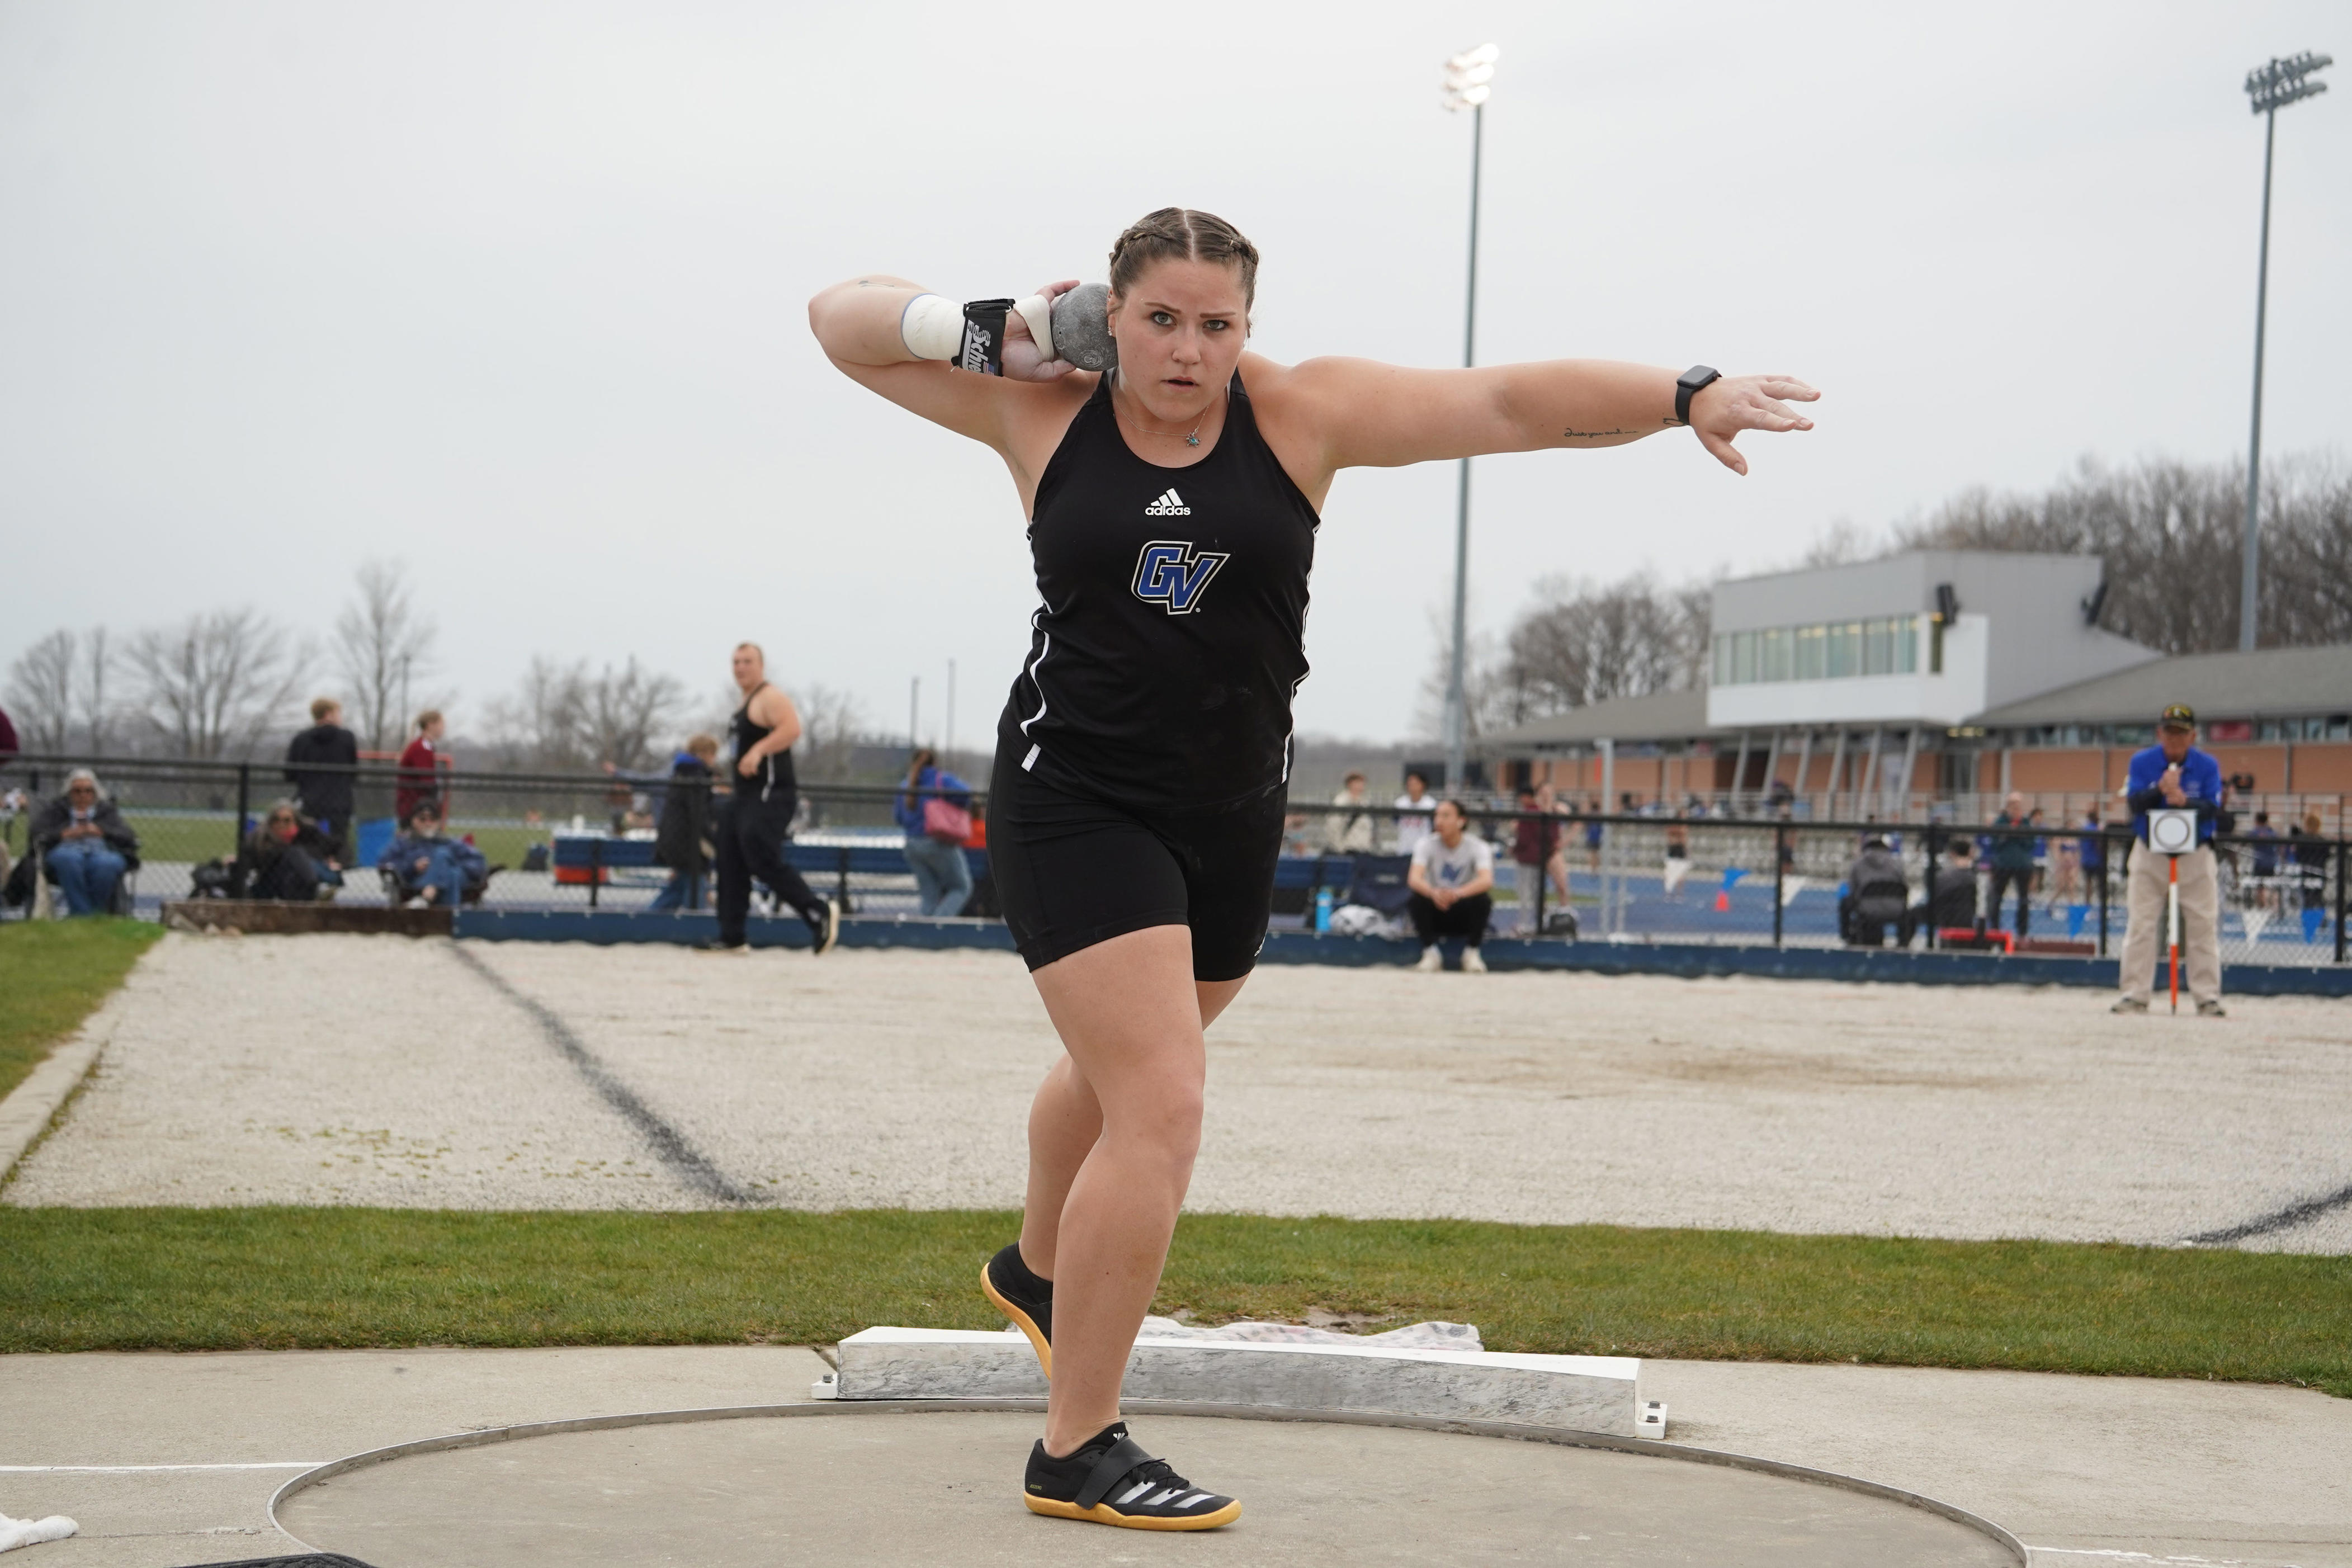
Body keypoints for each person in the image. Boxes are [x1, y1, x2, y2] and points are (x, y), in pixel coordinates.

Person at [809, 205, 1814, 1529]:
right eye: (1158, 318)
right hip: (1075, 801)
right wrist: (986, 329)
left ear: (1246, 327)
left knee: (1122, 1073)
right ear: (1107, 315)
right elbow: (840, 322)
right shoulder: (1037, 408)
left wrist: (1682, 394)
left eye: (1214, 323)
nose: (1186, 348)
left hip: (1228, 813)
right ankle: (1076, 1443)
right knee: (1160, 1096)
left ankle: (1038, 1269)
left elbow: (1507, 402)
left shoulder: (1297, 416)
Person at [703, 643, 838, 953]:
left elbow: (792, 729)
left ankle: (817, 910)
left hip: (771, 794)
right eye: (736, 662)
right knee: (729, 858)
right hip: (745, 795)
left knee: (761, 856)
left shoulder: (770, 697)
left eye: (747, 661)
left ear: (761, 666)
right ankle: (732, 935)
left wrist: (759, 750)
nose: (740, 667)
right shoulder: (743, 703)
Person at [2113, 704, 2224, 1016]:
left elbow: (2214, 807)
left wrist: (2186, 801)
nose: (2174, 740)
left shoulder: (2207, 765)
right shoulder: (2142, 762)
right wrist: (2159, 789)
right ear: (2160, 734)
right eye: (2169, 733)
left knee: (2202, 925)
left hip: (2195, 853)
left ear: (2193, 736)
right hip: (2151, 851)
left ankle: (2207, 996)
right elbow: (2134, 802)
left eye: (2181, 734)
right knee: (2141, 924)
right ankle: (2135, 993)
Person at [29, 769, 140, 916]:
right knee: (69, 860)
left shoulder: (106, 811)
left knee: (107, 864)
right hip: (66, 850)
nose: (83, 796)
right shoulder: (56, 810)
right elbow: (37, 833)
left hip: (102, 851)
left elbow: (127, 835)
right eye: (77, 791)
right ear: (69, 793)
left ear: (95, 793)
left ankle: (95, 913)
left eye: (88, 791)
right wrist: (63, 834)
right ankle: (83, 915)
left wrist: (102, 832)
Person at [1406, 799, 1496, 973]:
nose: (1439, 821)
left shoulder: (1479, 847)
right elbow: (1414, 878)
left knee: (1483, 900)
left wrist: (1458, 894)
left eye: (1446, 816)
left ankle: (1472, 953)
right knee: (1416, 900)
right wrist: (1434, 893)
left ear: (1462, 821)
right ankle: (1430, 953)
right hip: (1436, 908)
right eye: (1437, 816)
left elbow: (1486, 880)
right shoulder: (1425, 844)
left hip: (1463, 910)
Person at [895, 746, 976, 917]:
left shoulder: (905, 785)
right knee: (962, 887)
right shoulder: (941, 780)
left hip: (912, 845)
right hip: (937, 842)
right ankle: (938, 925)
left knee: (929, 894)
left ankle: (927, 930)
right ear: (935, 762)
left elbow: (899, 818)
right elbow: (966, 795)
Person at [644, 735, 720, 912]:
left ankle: (648, 921)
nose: (714, 759)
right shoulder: (697, 775)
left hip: (674, 839)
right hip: (687, 842)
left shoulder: (682, 772)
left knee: (678, 888)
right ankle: (696, 926)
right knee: (695, 884)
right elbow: (699, 814)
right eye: (713, 754)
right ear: (705, 753)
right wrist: (713, 839)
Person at [284, 698, 360, 861]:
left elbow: (289, 774)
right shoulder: (347, 738)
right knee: (339, 843)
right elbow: (354, 770)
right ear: (329, 714)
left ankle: (311, 870)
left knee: (308, 841)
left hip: (309, 801)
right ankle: (337, 871)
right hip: (339, 802)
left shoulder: (301, 739)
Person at [378, 799, 487, 906]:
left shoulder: (450, 842)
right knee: (453, 874)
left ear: (438, 822)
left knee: (444, 857)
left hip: (454, 883)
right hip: (416, 883)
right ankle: (449, 919)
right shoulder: (403, 843)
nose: (428, 823)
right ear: (413, 821)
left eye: (432, 819)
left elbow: (478, 863)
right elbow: (386, 864)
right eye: (422, 819)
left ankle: (427, 896)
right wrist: (413, 867)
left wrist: (446, 865)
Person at [226, 800, 341, 901]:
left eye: (287, 820)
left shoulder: (309, 833)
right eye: (276, 820)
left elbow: (335, 846)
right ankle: (325, 885)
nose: (281, 824)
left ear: (295, 821)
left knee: (306, 861)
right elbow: (252, 864)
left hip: (302, 882)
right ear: (271, 822)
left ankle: (327, 882)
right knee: (294, 854)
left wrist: (335, 861)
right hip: (272, 884)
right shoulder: (261, 839)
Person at [1900, 838, 1978, 946]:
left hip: (1941, 914)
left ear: (1952, 854)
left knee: (1912, 913)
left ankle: (1903, 944)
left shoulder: (1943, 876)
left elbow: (1933, 897)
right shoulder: (1972, 876)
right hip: (1963, 916)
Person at [1840, 833, 1909, 946]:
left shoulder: (1858, 864)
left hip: (1867, 909)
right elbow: (1904, 886)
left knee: (1845, 902)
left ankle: (1847, 936)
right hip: (1896, 908)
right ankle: (1903, 943)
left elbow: (1852, 889)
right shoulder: (1897, 863)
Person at [1984, 791, 2034, 938]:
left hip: (2023, 866)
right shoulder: (2000, 822)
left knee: (2024, 899)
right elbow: (1994, 844)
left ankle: (2022, 931)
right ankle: (1995, 929)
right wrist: (2007, 834)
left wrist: (2018, 833)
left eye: (2018, 806)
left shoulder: (2026, 823)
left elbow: (2030, 844)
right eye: (2012, 805)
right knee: (1997, 897)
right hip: (2003, 865)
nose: (2015, 809)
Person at [1509, 786, 1558, 928]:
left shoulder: (1528, 814)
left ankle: (1524, 923)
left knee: (1524, 893)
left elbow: (1524, 837)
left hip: (1526, 858)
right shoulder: (1543, 813)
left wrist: (1515, 848)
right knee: (1538, 893)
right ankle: (1541, 922)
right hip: (1539, 858)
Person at [395, 710, 448, 827]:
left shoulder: (426, 746)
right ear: (430, 725)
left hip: (418, 809)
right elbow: (427, 780)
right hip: (414, 810)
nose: (444, 728)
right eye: (441, 724)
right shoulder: (422, 747)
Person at [1324, 770, 1375, 853]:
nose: (1361, 786)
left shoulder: (1365, 803)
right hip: (1347, 850)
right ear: (1350, 784)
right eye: (1358, 782)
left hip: (1363, 850)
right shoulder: (1340, 802)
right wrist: (1340, 849)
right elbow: (1333, 827)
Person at [1392, 770, 1435, 858]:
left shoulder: (1430, 804)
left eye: (1416, 783)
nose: (1412, 787)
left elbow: (1434, 826)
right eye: (1410, 784)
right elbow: (1395, 821)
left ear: (1423, 785)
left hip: (1424, 850)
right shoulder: (1400, 803)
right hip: (1404, 849)